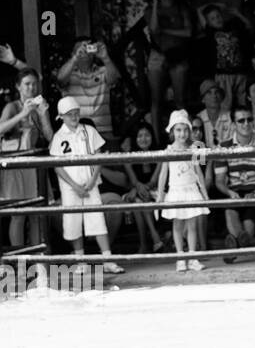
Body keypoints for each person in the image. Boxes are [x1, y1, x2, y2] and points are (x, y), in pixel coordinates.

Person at [48, 97, 125, 274]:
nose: (74, 117)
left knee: (97, 219)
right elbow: (57, 166)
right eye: (69, 114)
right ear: (61, 116)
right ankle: (80, 260)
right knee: (73, 222)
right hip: (70, 188)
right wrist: (74, 185)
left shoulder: (89, 131)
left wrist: (92, 181)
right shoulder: (58, 137)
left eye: (76, 113)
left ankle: (107, 259)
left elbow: (98, 157)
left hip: (91, 184)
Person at [214, 104, 255, 259]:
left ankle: (233, 247)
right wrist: (230, 193)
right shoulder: (223, 147)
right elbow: (219, 181)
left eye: (249, 119)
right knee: (229, 210)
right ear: (233, 124)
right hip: (234, 192)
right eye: (241, 120)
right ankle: (240, 244)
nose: (246, 123)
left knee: (249, 221)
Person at [0, 68, 53, 248]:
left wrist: (43, 115)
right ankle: (20, 259)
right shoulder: (12, 107)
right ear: (18, 86)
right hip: (15, 165)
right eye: (27, 84)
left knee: (36, 213)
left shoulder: (40, 106)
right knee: (18, 215)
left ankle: (37, 258)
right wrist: (23, 114)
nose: (31, 88)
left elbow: (50, 138)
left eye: (34, 84)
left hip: (35, 164)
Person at [157, 110, 210, 272]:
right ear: (172, 131)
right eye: (178, 130)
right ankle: (180, 257)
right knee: (178, 225)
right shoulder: (168, 150)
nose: (183, 133)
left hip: (191, 189)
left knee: (192, 225)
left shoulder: (195, 148)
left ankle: (193, 257)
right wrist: (160, 195)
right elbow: (163, 174)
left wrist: (204, 193)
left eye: (186, 129)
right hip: (176, 191)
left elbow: (199, 172)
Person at [56, 36, 122, 141]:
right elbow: (60, 78)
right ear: (73, 54)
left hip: (103, 132)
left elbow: (114, 79)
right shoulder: (69, 74)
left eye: (87, 48)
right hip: (77, 132)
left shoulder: (102, 71)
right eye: (80, 48)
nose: (84, 51)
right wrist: (75, 58)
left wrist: (105, 58)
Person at [121, 121, 165, 254]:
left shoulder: (160, 154)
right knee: (138, 201)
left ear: (152, 137)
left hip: (155, 190)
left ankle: (144, 245)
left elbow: (153, 181)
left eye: (147, 135)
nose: (144, 139)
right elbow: (135, 181)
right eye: (140, 136)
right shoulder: (129, 157)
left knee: (138, 202)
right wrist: (137, 188)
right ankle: (155, 237)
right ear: (135, 139)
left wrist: (139, 189)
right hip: (137, 192)